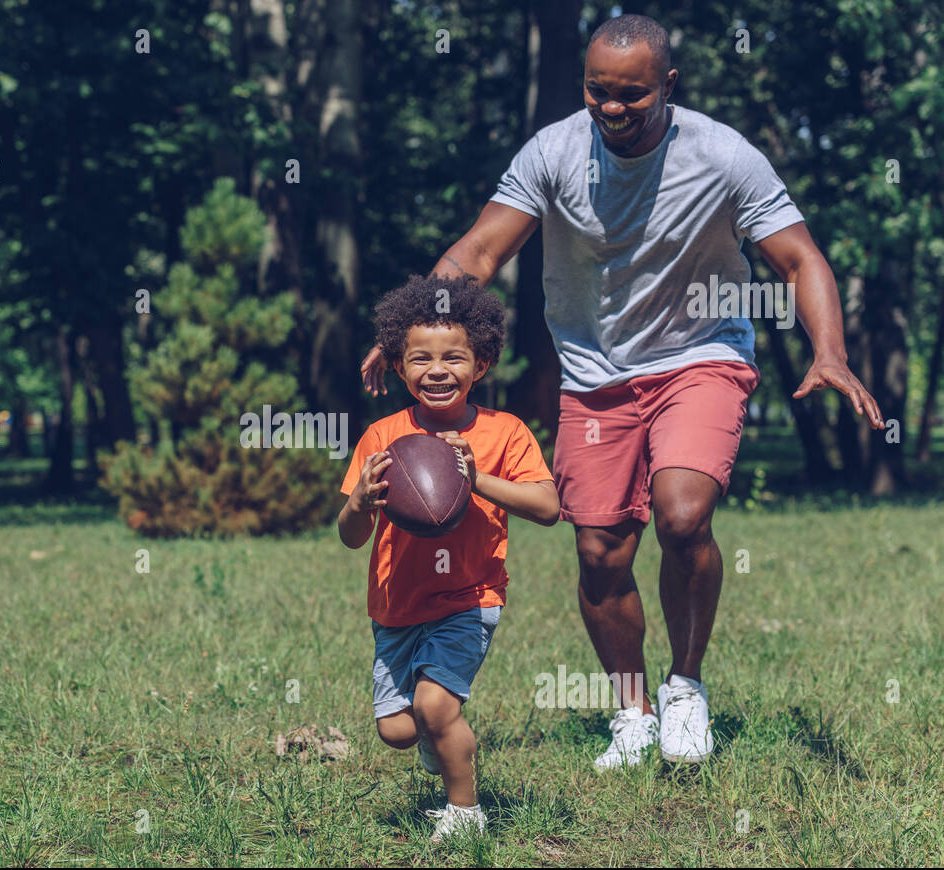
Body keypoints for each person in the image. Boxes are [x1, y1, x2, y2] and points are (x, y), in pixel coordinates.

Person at [359, 14, 884, 770]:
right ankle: (632, 709)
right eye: (597, 91)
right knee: (601, 549)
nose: (610, 108)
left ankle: (685, 686)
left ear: (668, 85)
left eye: (631, 96)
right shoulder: (553, 153)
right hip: (596, 374)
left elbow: (799, 259)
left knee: (682, 513)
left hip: (699, 357)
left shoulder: (722, 156)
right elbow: (478, 251)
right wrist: (409, 320)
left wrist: (828, 350)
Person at [339, 274, 559, 841]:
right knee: (397, 730)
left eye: (454, 358)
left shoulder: (504, 432)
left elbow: (548, 506)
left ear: (481, 364)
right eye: (419, 359)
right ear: (397, 366)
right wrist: (361, 501)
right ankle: (440, 742)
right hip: (395, 605)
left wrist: (476, 477)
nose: (437, 370)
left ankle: (465, 815)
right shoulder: (381, 437)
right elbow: (350, 536)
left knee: (435, 706)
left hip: (469, 596)